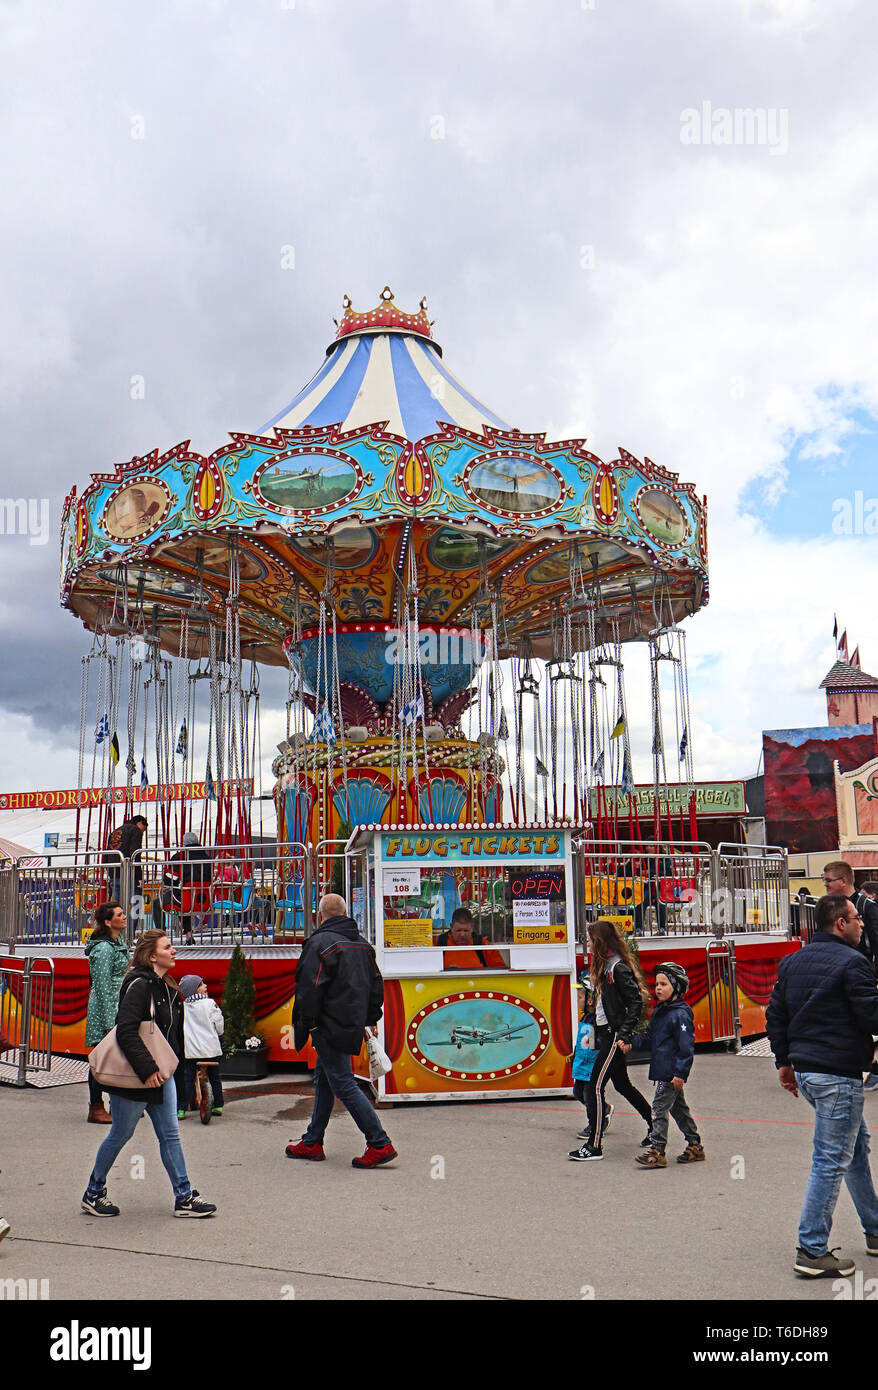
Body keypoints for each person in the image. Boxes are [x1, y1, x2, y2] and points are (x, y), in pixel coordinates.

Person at [765, 894, 878, 1278]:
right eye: (856, 917)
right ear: (840, 923)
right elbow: (871, 1015)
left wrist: (784, 1062)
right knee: (831, 1160)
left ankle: (875, 1228)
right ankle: (812, 1249)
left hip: (809, 1072)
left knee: (853, 1148)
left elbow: (775, 1015)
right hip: (838, 1075)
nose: (861, 923)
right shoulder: (853, 962)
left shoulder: (793, 961)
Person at [81, 929, 217, 1219]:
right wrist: (148, 1069)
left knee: (170, 1135)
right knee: (121, 1134)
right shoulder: (140, 985)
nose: (173, 950)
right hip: (136, 1076)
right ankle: (93, 1192)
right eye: (167, 947)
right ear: (152, 956)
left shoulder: (167, 986)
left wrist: (174, 1070)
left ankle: (184, 1196)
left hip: (161, 1074)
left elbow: (171, 1036)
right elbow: (126, 1031)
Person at [286, 892, 397, 1168]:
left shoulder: (319, 943)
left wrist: (310, 1022)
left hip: (327, 1024)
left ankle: (379, 1142)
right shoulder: (363, 945)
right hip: (351, 1022)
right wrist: (370, 1018)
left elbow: (309, 988)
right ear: (345, 913)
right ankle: (312, 1140)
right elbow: (375, 985)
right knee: (325, 1079)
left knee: (344, 1083)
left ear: (320, 915)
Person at [568, 918, 653, 1161]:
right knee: (622, 1085)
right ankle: (655, 1125)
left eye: (589, 940)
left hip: (614, 1035)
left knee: (594, 1087)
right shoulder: (605, 966)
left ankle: (594, 1145)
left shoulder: (616, 968)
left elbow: (635, 1001)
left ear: (599, 941)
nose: (587, 944)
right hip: (607, 1032)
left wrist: (623, 1033)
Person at [629, 961, 705, 1168]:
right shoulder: (661, 1011)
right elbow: (649, 1038)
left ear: (676, 987)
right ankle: (695, 1145)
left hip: (671, 1073)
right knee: (679, 1110)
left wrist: (680, 1073)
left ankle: (657, 1151)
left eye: (664, 984)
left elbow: (686, 1048)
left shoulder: (680, 1015)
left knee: (658, 1108)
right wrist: (630, 1042)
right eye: (657, 984)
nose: (658, 988)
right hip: (664, 1071)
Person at [84, 902, 131, 1123]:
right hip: (106, 1007)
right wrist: (109, 1022)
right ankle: (96, 1106)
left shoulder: (117, 942)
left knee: (119, 1057)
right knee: (102, 1058)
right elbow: (102, 986)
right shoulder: (103, 949)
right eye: (119, 914)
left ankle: (118, 1104)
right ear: (108, 922)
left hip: (118, 1004)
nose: (124, 916)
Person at [178, 974, 225, 1119]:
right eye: (201, 984)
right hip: (211, 1050)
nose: (205, 986)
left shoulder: (183, 1007)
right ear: (194, 989)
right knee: (215, 1077)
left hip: (191, 1052)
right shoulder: (210, 1004)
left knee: (187, 1078)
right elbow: (218, 1023)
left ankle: (181, 1109)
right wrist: (219, 1032)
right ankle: (218, 1105)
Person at [152, 832, 212, 942]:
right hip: (204, 900)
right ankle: (189, 934)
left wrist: (168, 882)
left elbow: (170, 879)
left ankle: (161, 935)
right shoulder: (207, 857)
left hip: (185, 897)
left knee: (158, 903)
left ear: (184, 843)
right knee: (185, 899)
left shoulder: (179, 857)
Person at [822, 861, 878, 973]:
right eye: (824, 880)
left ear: (843, 881)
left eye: (828, 880)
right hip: (834, 969)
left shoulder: (866, 906)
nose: (825, 884)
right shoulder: (827, 906)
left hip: (861, 970)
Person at [437, 907, 505, 970]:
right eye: (458, 930)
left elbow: (500, 972)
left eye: (466, 931)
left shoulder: (484, 947)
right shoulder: (439, 944)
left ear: (472, 927)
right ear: (451, 927)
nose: (462, 935)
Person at [105, 815, 149, 912]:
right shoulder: (135, 830)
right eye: (144, 829)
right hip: (129, 873)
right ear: (139, 823)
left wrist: (109, 871)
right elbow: (135, 854)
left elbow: (106, 854)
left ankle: (118, 921)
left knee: (117, 905)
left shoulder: (114, 832)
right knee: (136, 902)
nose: (143, 832)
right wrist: (139, 876)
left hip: (114, 872)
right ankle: (132, 922)